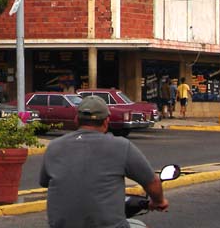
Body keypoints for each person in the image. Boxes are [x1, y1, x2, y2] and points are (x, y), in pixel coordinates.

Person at [39, 95, 168, 228]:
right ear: (106, 121)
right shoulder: (121, 146)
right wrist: (159, 201)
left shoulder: (54, 146)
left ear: (77, 120)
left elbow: (45, 182)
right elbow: (152, 182)